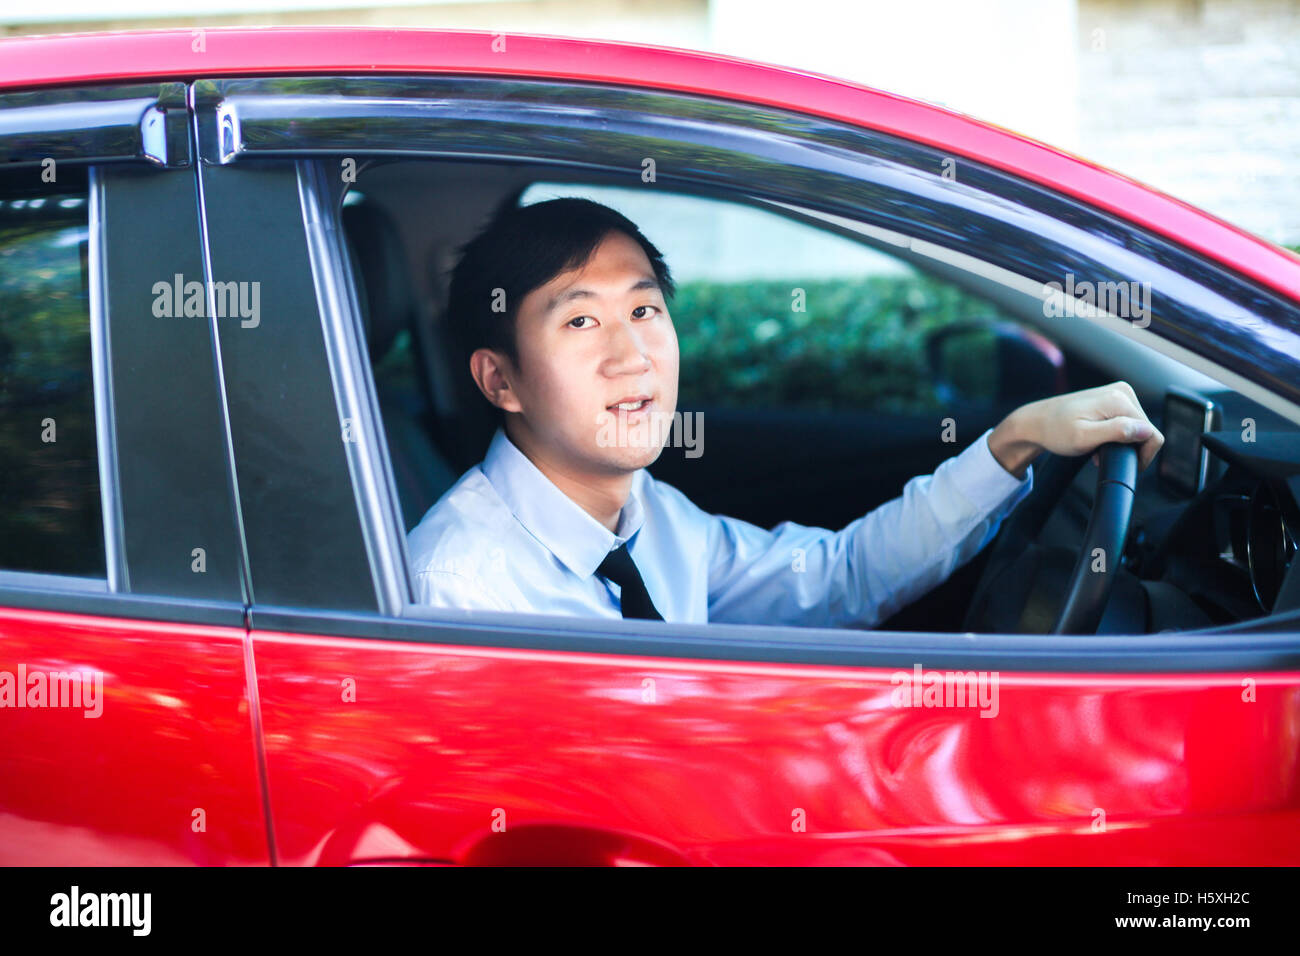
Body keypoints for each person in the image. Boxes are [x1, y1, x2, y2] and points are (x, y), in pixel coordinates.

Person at [406, 198, 1164, 626]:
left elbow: (839, 576)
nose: (630, 355)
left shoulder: (651, 518)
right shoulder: (459, 588)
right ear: (500, 380)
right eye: (579, 322)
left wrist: (1010, 445)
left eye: (644, 310)